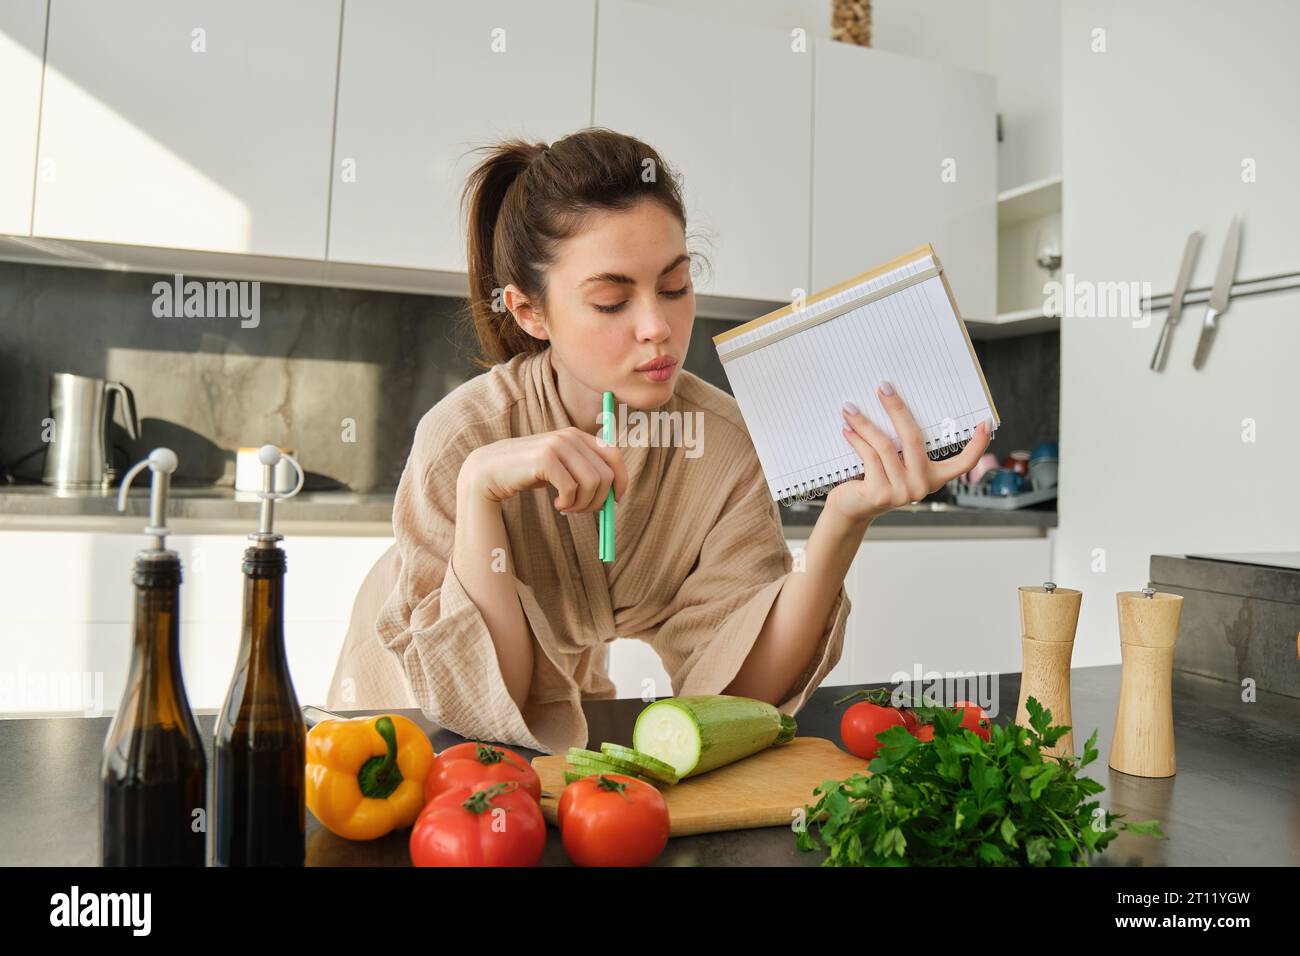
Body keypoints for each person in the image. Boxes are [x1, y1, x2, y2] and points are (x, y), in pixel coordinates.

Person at [326, 127, 992, 753]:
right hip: (406, 707)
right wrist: (477, 492)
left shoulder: (722, 444)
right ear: (530, 312)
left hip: (566, 692)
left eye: (675, 286)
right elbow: (482, 697)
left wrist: (843, 520)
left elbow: (738, 694)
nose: (659, 328)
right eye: (613, 302)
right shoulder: (461, 439)